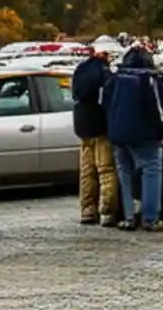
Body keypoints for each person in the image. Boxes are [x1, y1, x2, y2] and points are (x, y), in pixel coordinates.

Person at [103, 44, 163, 232]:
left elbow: (105, 104)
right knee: (151, 170)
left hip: (117, 134)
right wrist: (160, 132)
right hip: (143, 134)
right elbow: (158, 110)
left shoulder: (115, 78)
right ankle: (150, 218)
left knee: (124, 173)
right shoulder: (148, 79)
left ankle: (128, 217)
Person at [72, 50, 119, 226]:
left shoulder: (80, 70)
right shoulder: (104, 73)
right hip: (100, 127)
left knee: (87, 171)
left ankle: (87, 210)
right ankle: (107, 211)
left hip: (82, 126)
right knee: (106, 170)